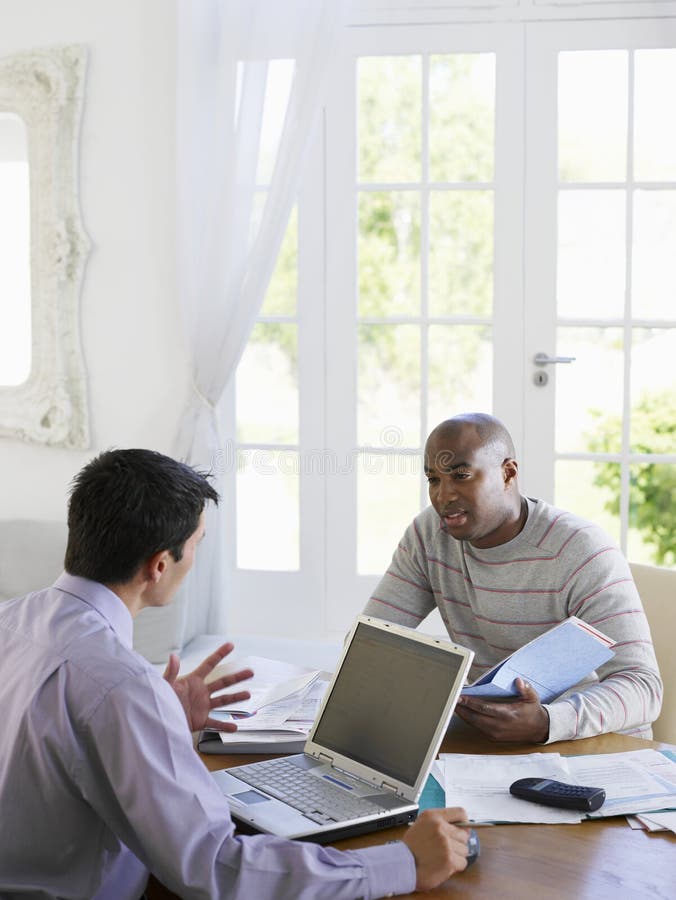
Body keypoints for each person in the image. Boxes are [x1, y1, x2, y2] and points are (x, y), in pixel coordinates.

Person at [0, 448, 473, 900]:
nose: (195, 559)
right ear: (160, 565)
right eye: (196, 545)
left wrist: (160, 719)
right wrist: (401, 863)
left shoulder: (11, 621)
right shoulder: (121, 688)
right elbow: (218, 871)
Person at [363, 413, 662, 744]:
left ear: (508, 473)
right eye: (433, 479)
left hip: (596, 746)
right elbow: (369, 645)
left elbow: (643, 687)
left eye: (461, 476)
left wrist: (547, 722)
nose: (443, 496)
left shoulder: (580, 550)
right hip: (500, 741)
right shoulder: (429, 536)